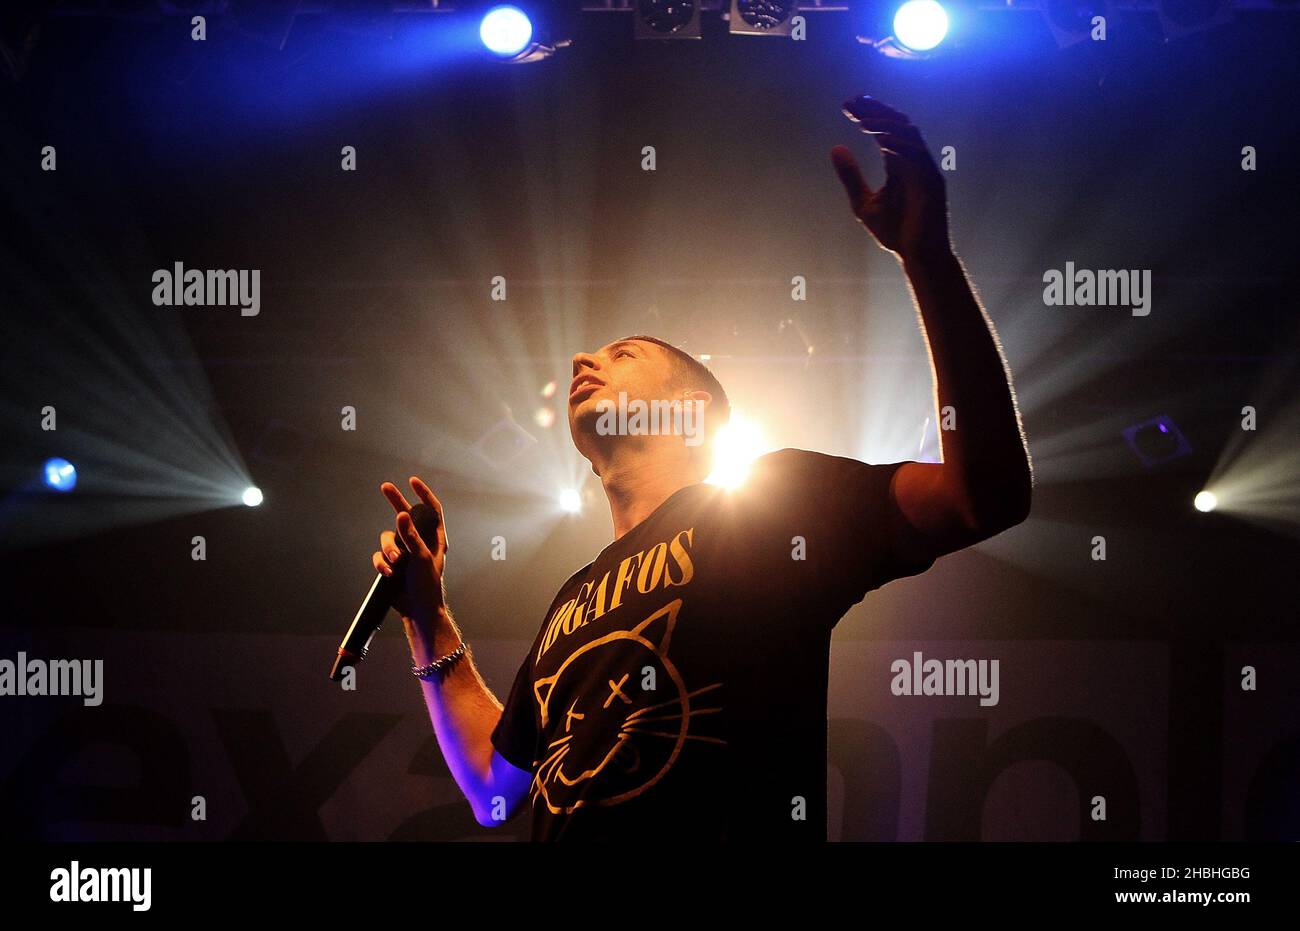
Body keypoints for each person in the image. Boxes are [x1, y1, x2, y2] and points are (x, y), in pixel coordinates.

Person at [371, 96, 1032, 841]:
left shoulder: (776, 506)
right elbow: (495, 789)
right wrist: (427, 619)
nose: (584, 359)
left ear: (692, 408)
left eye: (623, 354)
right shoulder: (570, 601)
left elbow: (985, 496)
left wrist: (929, 261)